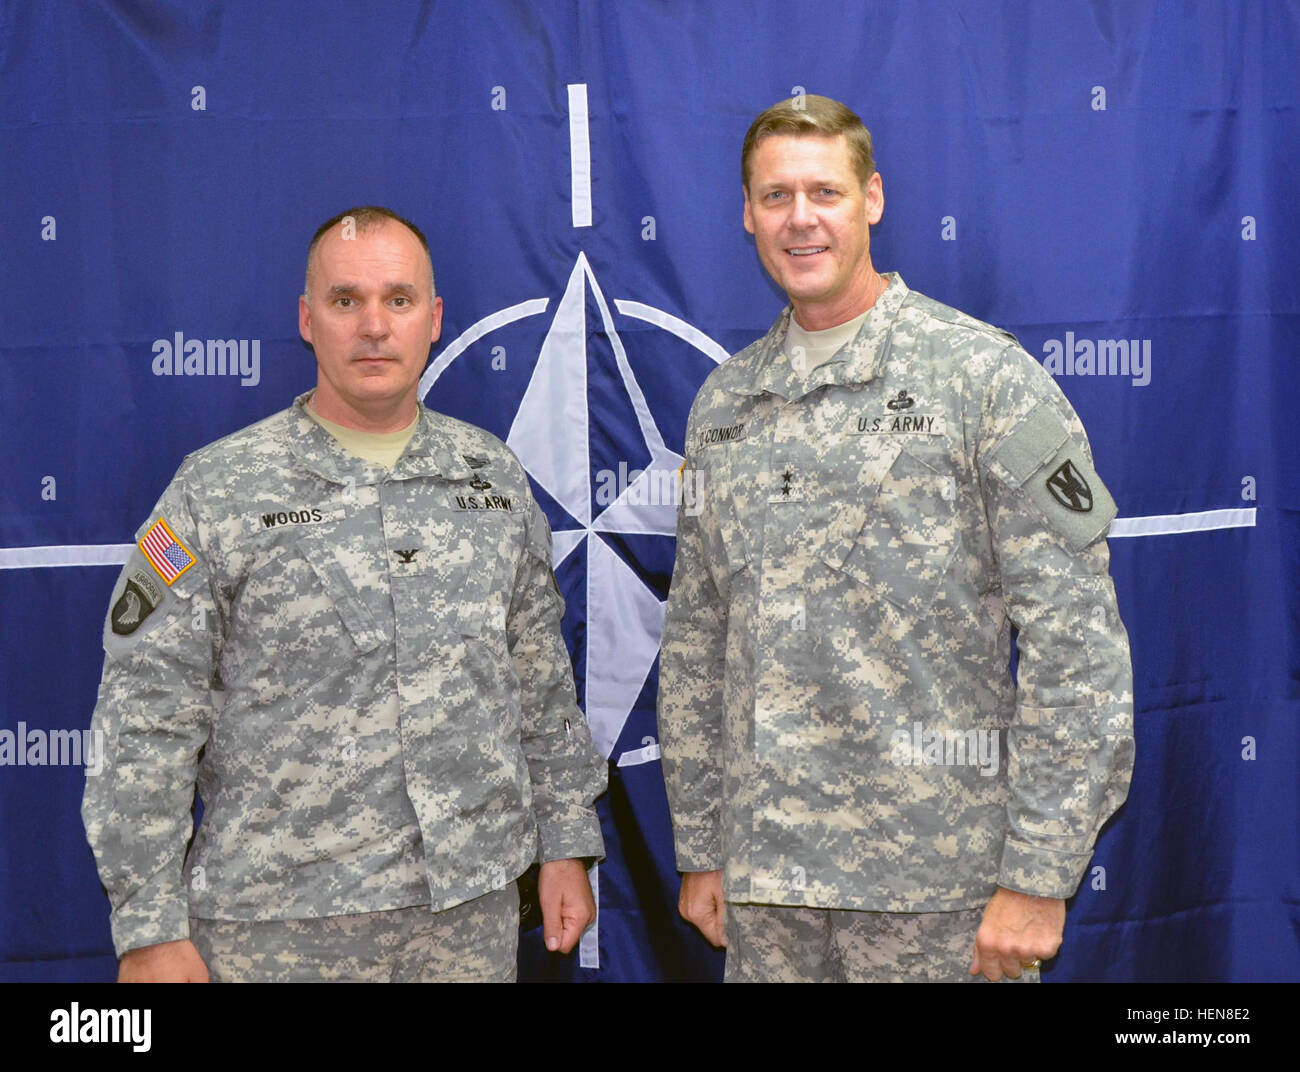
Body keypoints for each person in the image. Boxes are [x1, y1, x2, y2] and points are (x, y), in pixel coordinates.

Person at [658, 97, 1134, 983]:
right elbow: (697, 643)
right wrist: (703, 843)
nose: (800, 219)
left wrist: (1037, 873)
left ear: (872, 198)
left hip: (940, 900)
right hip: (769, 901)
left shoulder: (985, 380)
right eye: (774, 197)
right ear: (747, 215)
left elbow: (1079, 646)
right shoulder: (724, 406)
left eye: (825, 192)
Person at [83, 206, 606, 982]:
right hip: (277, 928)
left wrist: (565, 841)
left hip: (468, 918)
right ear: (306, 319)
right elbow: (144, 718)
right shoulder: (216, 490)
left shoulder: (489, 477)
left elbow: (538, 683)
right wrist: (150, 924)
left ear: (433, 320)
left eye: (398, 301)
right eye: (344, 301)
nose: (373, 326)